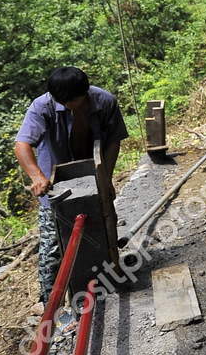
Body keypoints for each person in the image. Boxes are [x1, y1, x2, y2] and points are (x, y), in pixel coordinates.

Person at [15, 67, 129, 301]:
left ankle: (106, 281)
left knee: (104, 231)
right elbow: (22, 145)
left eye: (74, 102)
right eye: (64, 103)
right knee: (53, 250)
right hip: (56, 190)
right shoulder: (42, 107)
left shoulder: (105, 102)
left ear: (85, 93)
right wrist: (37, 176)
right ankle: (49, 304)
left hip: (94, 179)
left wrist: (106, 178)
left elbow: (114, 140)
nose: (69, 107)